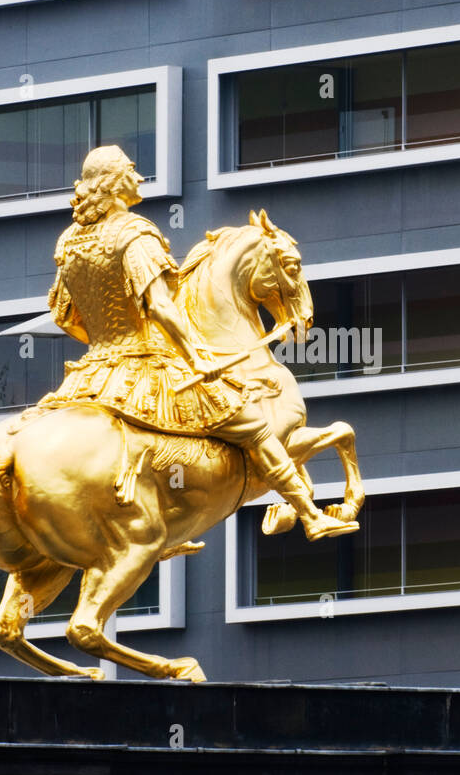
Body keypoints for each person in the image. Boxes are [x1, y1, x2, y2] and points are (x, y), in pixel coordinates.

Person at [28, 145, 357, 542]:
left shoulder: (70, 242)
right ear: (114, 181)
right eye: (131, 170)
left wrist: (105, 344)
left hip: (90, 377)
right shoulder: (133, 233)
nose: (138, 177)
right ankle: (310, 514)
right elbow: (162, 308)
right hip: (145, 366)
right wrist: (194, 355)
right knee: (254, 430)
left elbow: (66, 316)